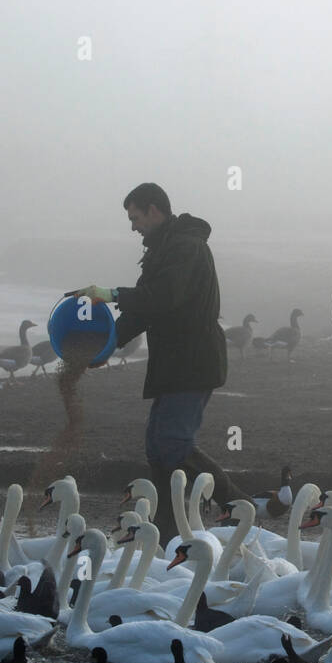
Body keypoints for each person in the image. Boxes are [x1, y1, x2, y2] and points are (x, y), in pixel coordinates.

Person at [73, 182, 246, 538]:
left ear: (154, 210)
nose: (133, 226)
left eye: (135, 217)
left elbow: (162, 298)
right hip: (174, 364)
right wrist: (104, 348)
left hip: (194, 361)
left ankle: (237, 504)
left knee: (172, 444)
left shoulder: (187, 247)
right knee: (158, 445)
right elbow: (142, 313)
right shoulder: (162, 250)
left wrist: (110, 294)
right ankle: (167, 528)